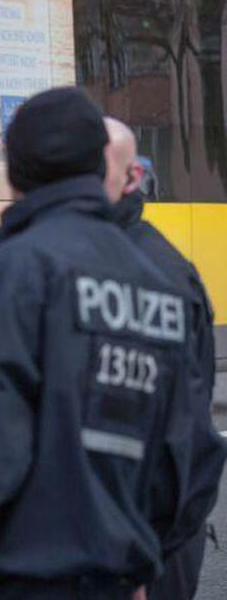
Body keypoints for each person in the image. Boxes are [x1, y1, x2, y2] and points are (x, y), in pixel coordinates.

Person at [0, 87, 224, 599]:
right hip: (123, 578)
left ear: (17, 173)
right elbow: (191, 456)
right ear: (101, 168)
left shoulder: (20, 271)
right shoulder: (161, 283)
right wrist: (146, 561)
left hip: (24, 580)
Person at [103, 118, 224, 600]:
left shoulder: (158, 271)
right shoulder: (164, 264)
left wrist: (143, 557)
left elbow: (185, 430)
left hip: (142, 540)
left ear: (133, 177)